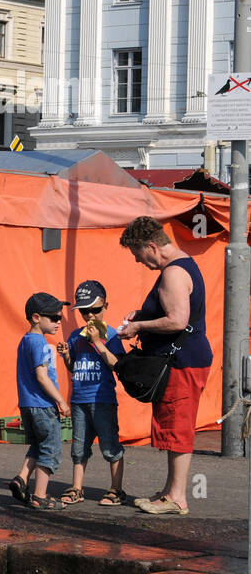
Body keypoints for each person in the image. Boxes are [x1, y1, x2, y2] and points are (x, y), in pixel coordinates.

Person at [117, 216, 212, 515]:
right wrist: (142, 313)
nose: (138, 261)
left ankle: (177, 498)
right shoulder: (184, 264)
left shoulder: (173, 273)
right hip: (185, 359)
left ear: (151, 246)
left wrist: (139, 326)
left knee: (178, 427)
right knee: (173, 425)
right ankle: (170, 491)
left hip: (182, 362)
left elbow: (177, 320)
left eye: (138, 254)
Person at [56, 279, 127, 507]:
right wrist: (67, 355)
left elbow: (117, 364)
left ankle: (116, 489)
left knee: (110, 446)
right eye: (84, 311)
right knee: (78, 448)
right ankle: (77, 488)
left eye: (95, 310)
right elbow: (72, 367)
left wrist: (98, 341)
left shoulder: (112, 335)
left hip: (103, 400)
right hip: (79, 400)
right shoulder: (75, 336)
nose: (89, 316)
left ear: (106, 306)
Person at [11, 292, 71, 510]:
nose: (58, 322)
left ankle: (21, 479)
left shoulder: (26, 340)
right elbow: (42, 376)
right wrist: (61, 401)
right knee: (51, 449)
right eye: (54, 318)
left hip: (28, 404)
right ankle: (39, 495)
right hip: (43, 406)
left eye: (60, 318)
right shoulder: (39, 342)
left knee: (38, 445)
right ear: (36, 317)